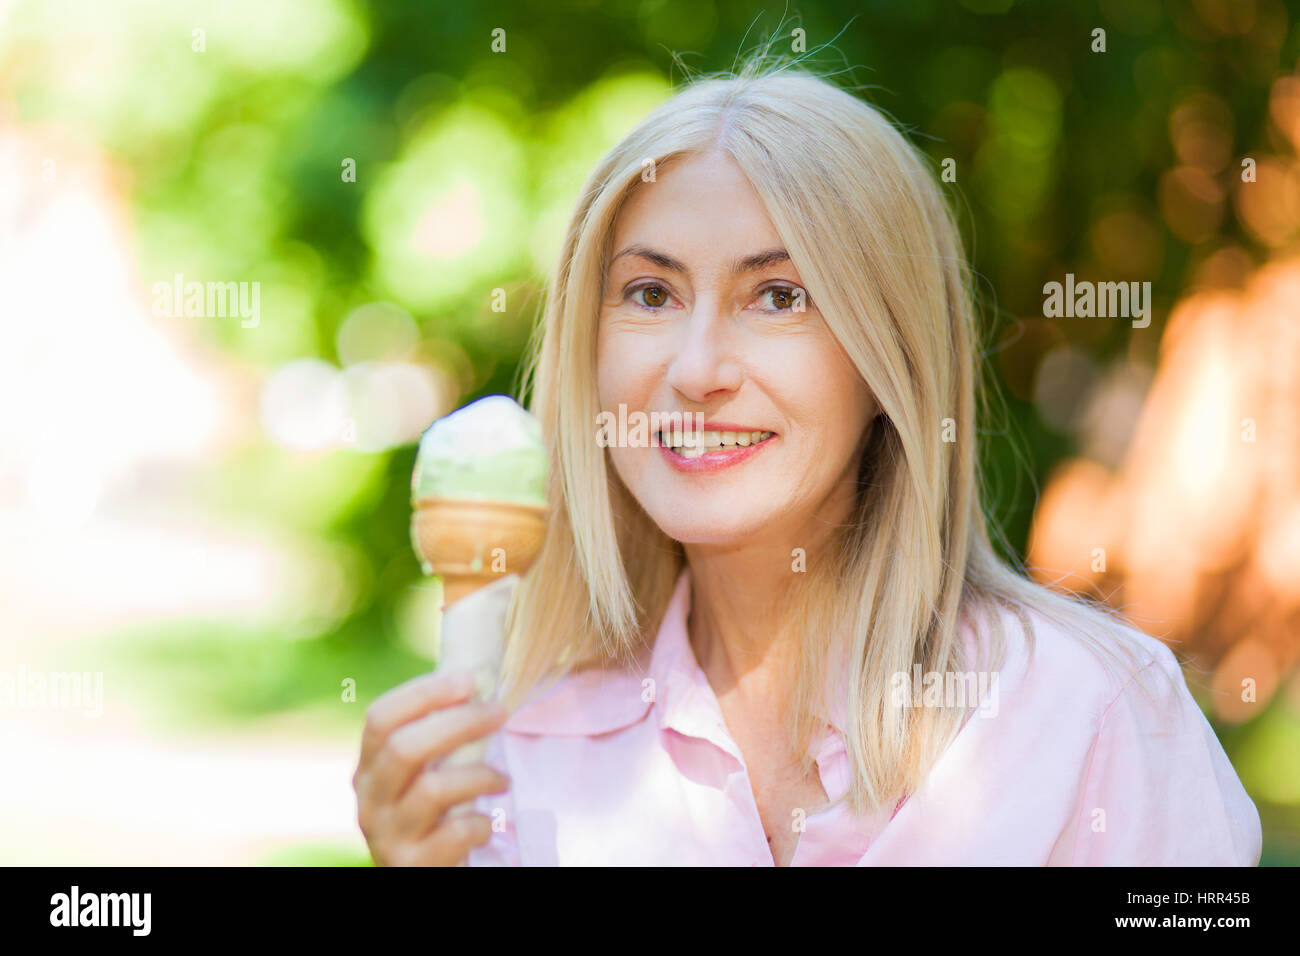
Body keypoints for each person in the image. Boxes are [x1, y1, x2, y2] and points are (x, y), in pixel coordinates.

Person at [352, 54, 1262, 866]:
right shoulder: (509, 756)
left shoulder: (1092, 714)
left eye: (779, 295)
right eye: (650, 292)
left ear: (887, 359)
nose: (698, 369)